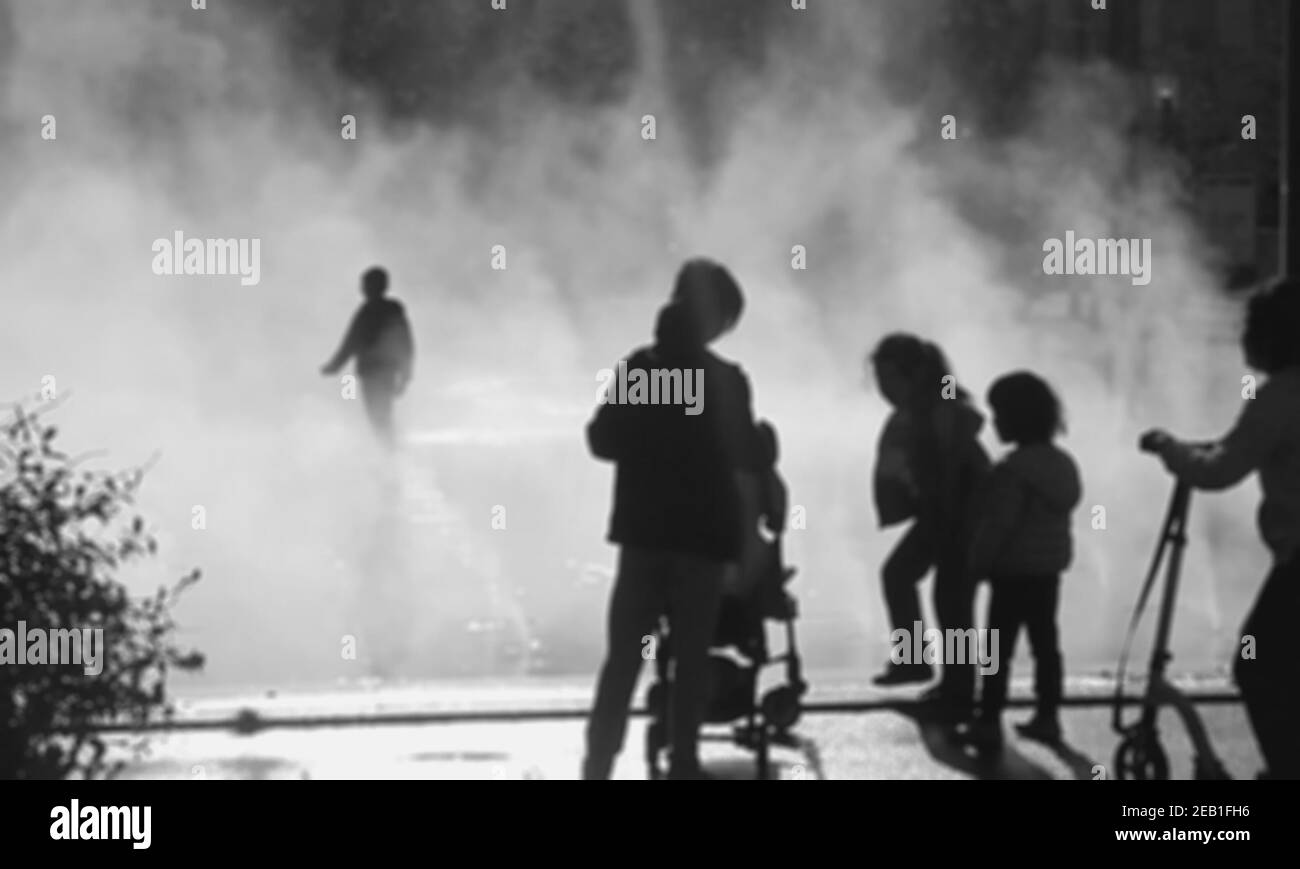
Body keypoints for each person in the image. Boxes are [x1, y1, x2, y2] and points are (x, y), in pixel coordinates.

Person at [582, 259, 774, 780]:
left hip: (643, 534)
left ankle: (598, 762)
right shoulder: (725, 380)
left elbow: (602, 439)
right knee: (691, 657)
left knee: (624, 657)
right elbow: (746, 455)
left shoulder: (642, 369)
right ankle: (684, 759)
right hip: (703, 537)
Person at [1141, 279, 1300, 779]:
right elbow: (1237, 449)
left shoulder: (1281, 395)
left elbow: (1220, 470)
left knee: (1257, 664)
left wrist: (1170, 449)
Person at [868, 334, 990, 719]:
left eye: (891, 380)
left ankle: (957, 689)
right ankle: (921, 663)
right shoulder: (923, 408)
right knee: (902, 577)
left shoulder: (940, 406)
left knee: (951, 602)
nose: (885, 391)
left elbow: (963, 432)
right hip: (938, 515)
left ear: (915, 375)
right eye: (880, 382)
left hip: (960, 516)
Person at [964, 372, 1081, 750]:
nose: (994, 422)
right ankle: (1048, 716)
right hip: (1048, 572)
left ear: (1016, 418)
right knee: (1046, 645)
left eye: (999, 414)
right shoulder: (1063, 465)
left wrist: (977, 564)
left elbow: (998, 525)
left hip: (1011, 573)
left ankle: (988, 719)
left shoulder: (1011, 471)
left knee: (998, 649)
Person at [321, 266, 414, 446]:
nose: (362, 288)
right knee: (383, 414)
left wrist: (334, 366)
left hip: (372, 374)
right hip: (387, 373)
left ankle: (389, 454)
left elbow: (350, 343)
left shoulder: (368, 312)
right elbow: (406, 344)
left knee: (377, 416)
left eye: (365, 284)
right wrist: (405, 375)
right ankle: (391, 453)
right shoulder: (393, 310)